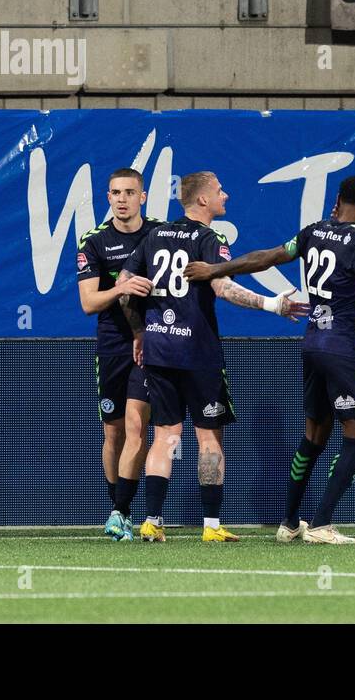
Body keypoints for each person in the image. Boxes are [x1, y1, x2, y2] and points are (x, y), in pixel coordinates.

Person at [187, 176, 355, 545]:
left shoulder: (313, 232)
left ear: (337, 200)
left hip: (313, 343)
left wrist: (216, 269)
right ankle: (321, 523)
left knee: (314, 435)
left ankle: (288, 522)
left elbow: (266, 256)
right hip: (343, 349)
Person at [118, 171, 305, 543]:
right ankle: (211, 526)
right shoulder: (208, 238)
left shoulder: (153, 235)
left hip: (158, 348)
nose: (226, 195)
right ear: (202, 200)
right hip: (197, 353)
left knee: (166, 437)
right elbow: (222, 288)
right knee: (208, 440)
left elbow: (124, 290)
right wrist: (273, 304)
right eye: (220, 191)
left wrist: (140, 331)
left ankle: (152, 521)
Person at [76, 168, 158, 539]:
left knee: (136, 426)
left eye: (129, 192)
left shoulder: (160, 234)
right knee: (113, 434)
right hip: (112, 344)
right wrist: (121, 287)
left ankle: (123, 509)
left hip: (154, 342)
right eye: (114, 193)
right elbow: (89, 302)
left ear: (142, 196)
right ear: (107, 197)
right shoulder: (93, 241)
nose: (121, 199)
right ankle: (117, 511)